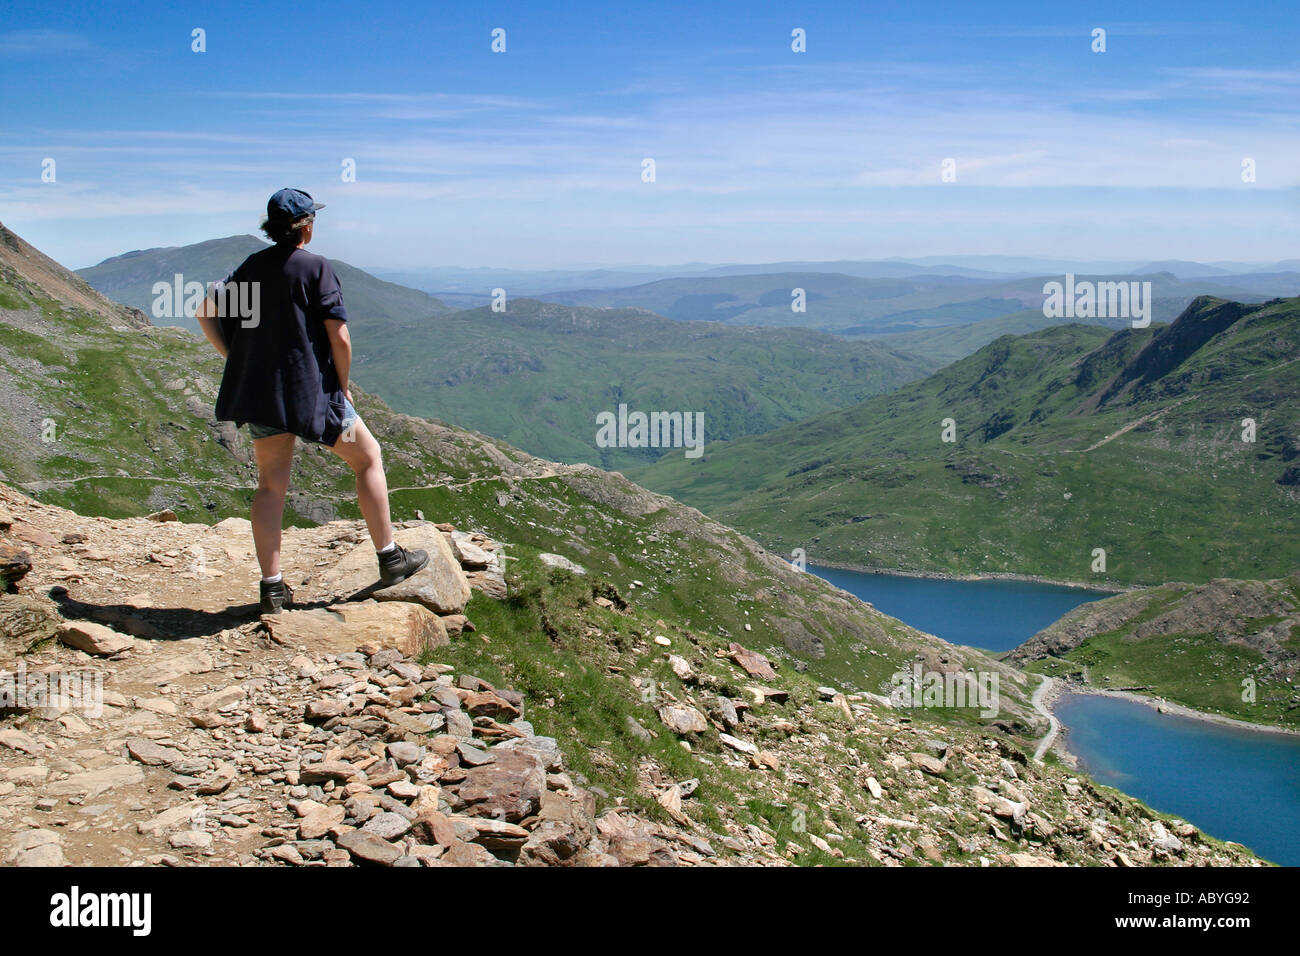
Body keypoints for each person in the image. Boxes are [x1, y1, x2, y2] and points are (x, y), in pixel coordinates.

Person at [196, 187, 427, 614]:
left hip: (263, 393)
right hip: (312, 390)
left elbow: (205, 311)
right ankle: (391, 559)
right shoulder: (316, 268)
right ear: (307, 226)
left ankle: (273, 589)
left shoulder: (250, 267)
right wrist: (342, 385)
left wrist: (235, 358)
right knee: (368, 458)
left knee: (270, 486)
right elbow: (339, 337)